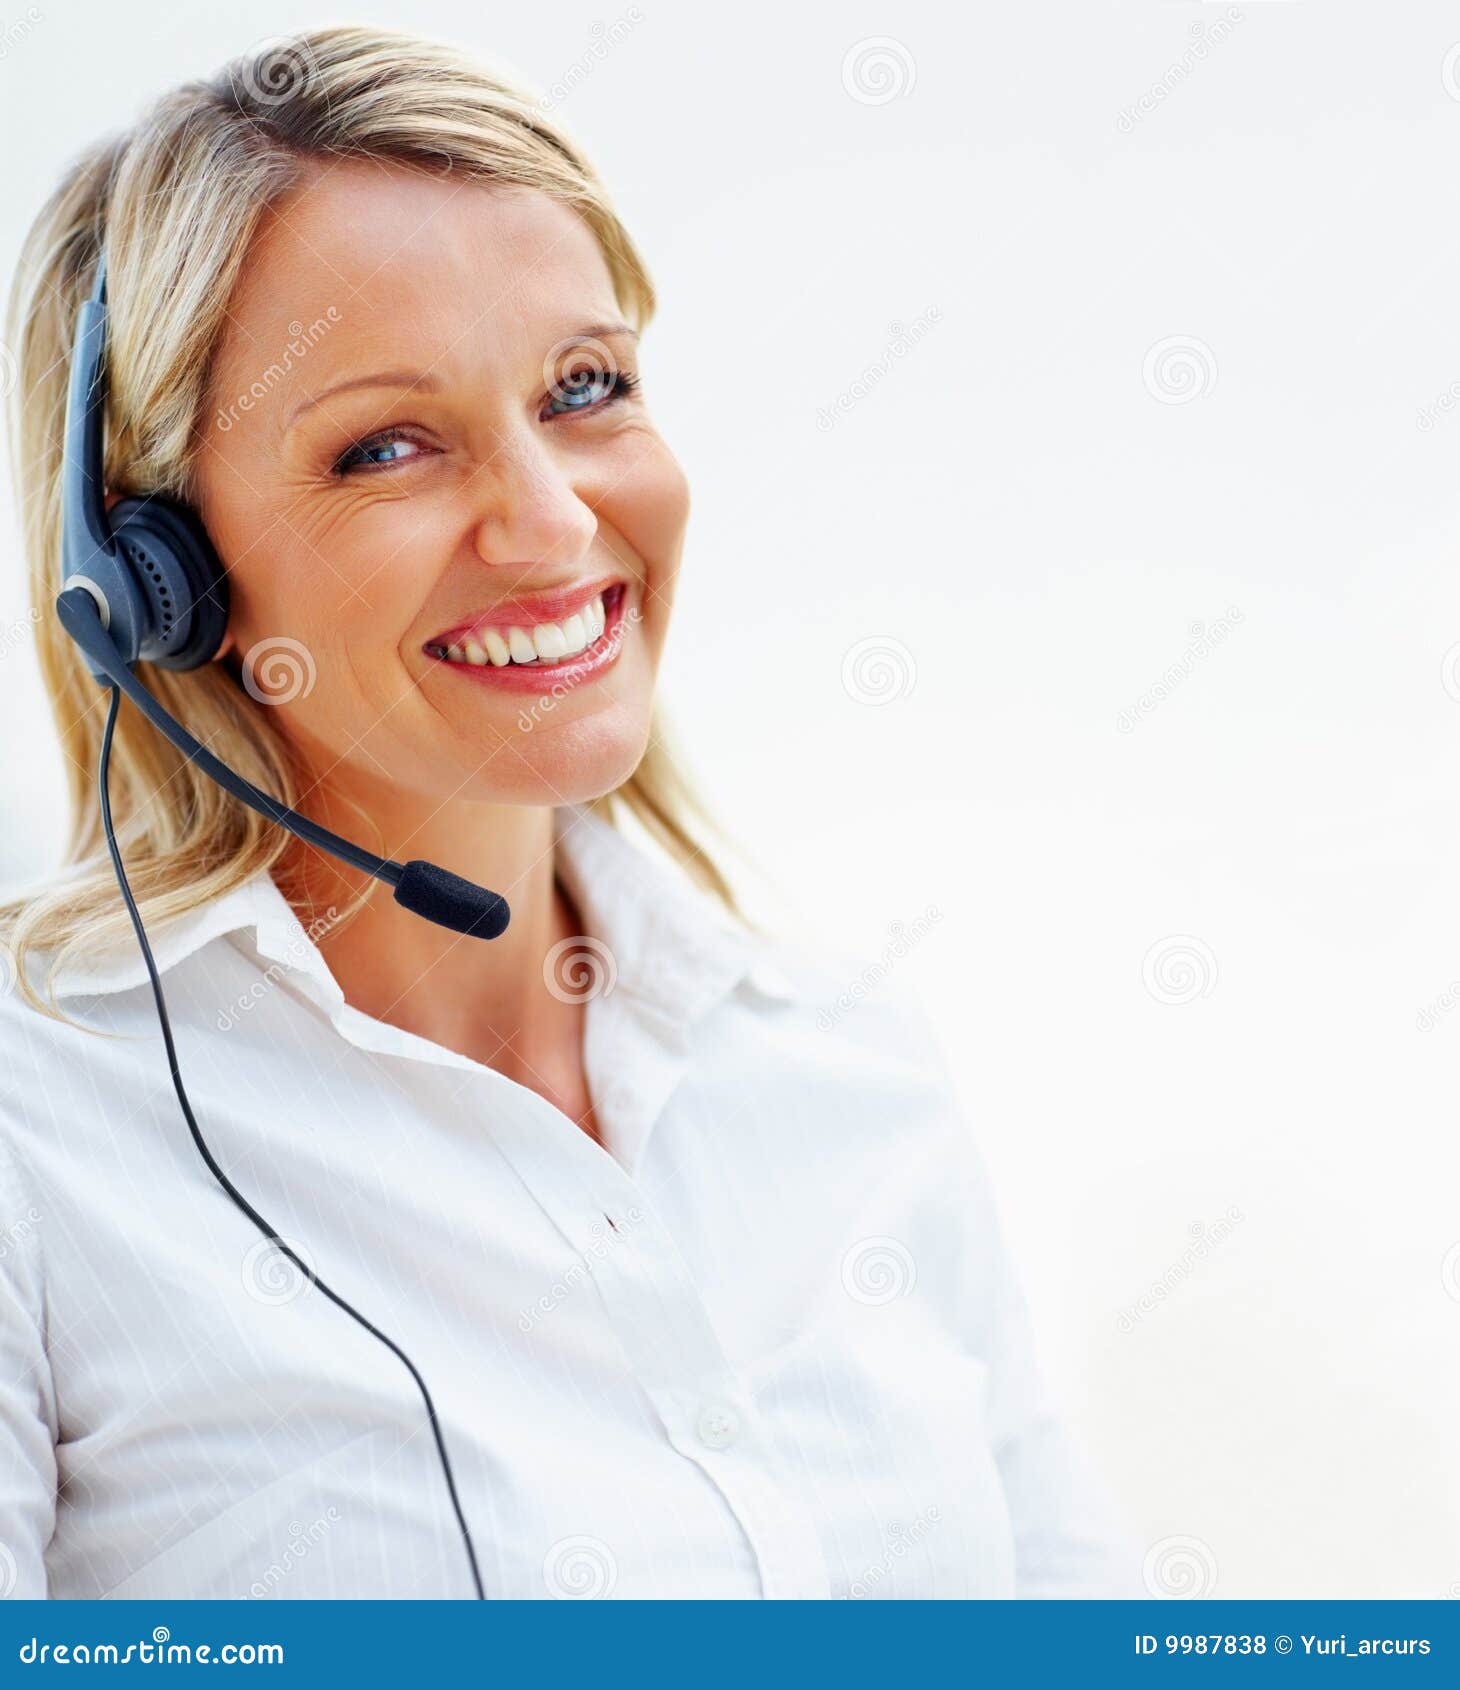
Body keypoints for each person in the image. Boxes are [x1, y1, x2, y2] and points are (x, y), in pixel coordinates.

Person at [0, 26, 1132, 1600]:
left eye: (583, 386)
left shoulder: (848, 1062)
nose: (549, 522)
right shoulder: (42, 1130)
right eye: (386, 444)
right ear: (158, 576)